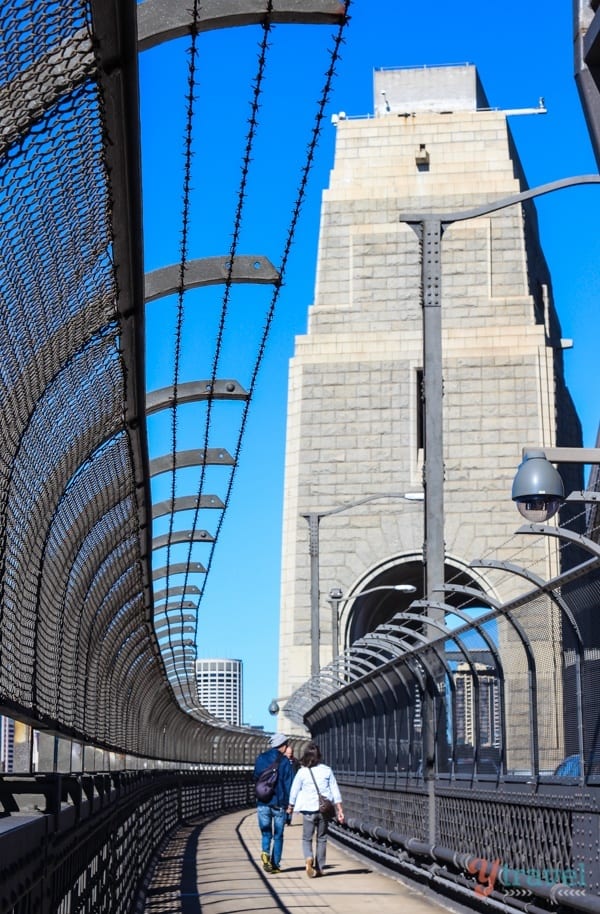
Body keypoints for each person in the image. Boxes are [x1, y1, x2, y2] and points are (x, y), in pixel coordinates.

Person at [286, 742, 344, 877]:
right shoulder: (327, 770)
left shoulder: (302, 772)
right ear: (319, 756)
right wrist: (340, 810)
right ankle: (319, 867)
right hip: (323, 810)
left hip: (308, 810)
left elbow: (294, 790)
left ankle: (308, 858)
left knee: (307, 838)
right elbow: (335, 791)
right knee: (322, 838)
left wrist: (290, 807)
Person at [253, 732, 294, 874]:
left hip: (263, 802)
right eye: (286, 744)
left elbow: (256, 777)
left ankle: (265, 853)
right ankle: (275, 864)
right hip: (279, 804)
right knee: (278, 835)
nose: (287, 747)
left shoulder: (261, 758)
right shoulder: (284, 762)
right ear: (282, 746)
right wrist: (290, 805)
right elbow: (289, 784)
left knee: (266, 833)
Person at [284, 745, 300, 824]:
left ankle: (288, 819)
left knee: (291, 802)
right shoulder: (282, 761)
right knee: (284, 803)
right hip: (284, 785)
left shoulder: (296, 762)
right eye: (288, 753)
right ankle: (284, 818)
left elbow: (298, 773)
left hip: (293, 784)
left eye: (290, 753)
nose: (289, 755)